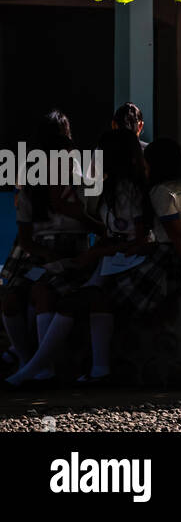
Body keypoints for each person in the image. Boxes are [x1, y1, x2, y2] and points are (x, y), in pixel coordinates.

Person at [5, 128, 152, 388]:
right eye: (61, 159)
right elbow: (26, 239)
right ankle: (28, 363)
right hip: (42, 253)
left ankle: (40, 370)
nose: (70, 165)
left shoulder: (90, 188)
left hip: (80, 253)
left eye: (71, 159)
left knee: (46, 294)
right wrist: (48, 254)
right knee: (14, 297)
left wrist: (77, 215)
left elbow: (111, 230)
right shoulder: (31, 192)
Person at [0, 112, 96, 374]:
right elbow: (26, 222)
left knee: (38, 296)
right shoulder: (38, 180)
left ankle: (35, 365)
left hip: (63, 248)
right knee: (17, 299)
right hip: (38, 246)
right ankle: (27, 360)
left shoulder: (72, 178)